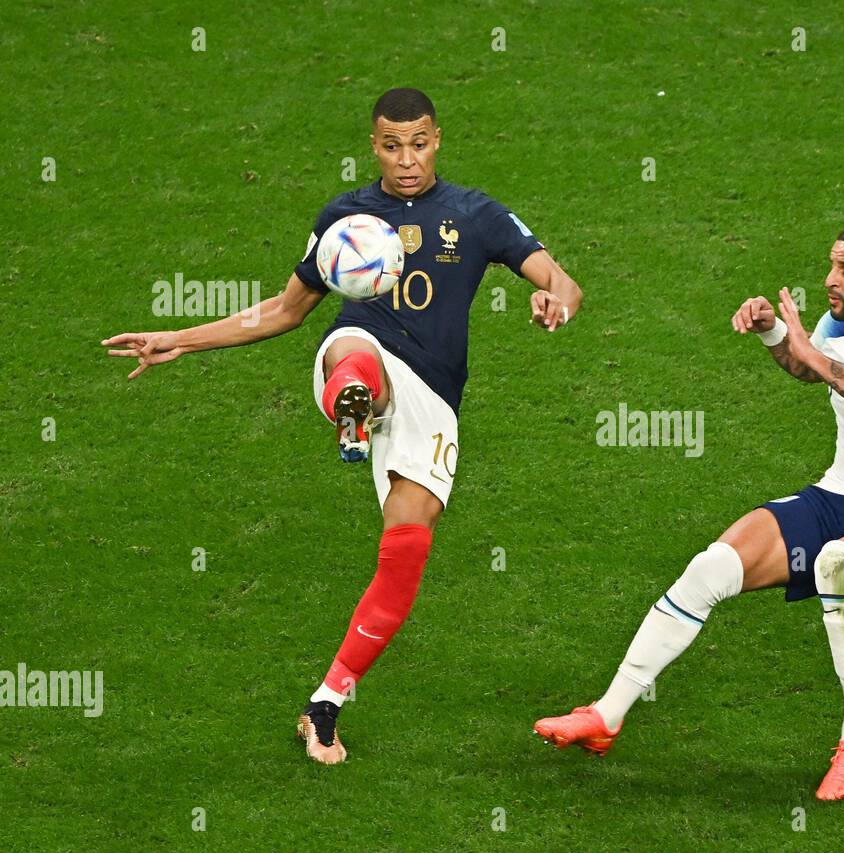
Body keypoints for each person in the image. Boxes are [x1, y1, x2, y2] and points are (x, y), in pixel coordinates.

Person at [103, 88, 582, 764]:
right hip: (362, 346)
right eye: (392, 145)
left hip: (435, 395)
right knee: (355, 355)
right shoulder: (346, 217)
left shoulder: (476, 215)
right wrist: (182, 337)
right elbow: (285, 309)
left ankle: (324, 704)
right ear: (373, 145)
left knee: (407, 551)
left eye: (418, 143)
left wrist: (551, 302)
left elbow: (565, 283)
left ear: (438, 139)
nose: (407, 159)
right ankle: (354, 403)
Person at [534, 222, 844, 800]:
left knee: (838, 564)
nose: (830, 280)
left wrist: (811, 349)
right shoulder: (840, 325)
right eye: (831, 266)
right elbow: (810, 367)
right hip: (838, 494)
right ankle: (607, 715)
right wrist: (777, 332)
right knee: (713, 566)